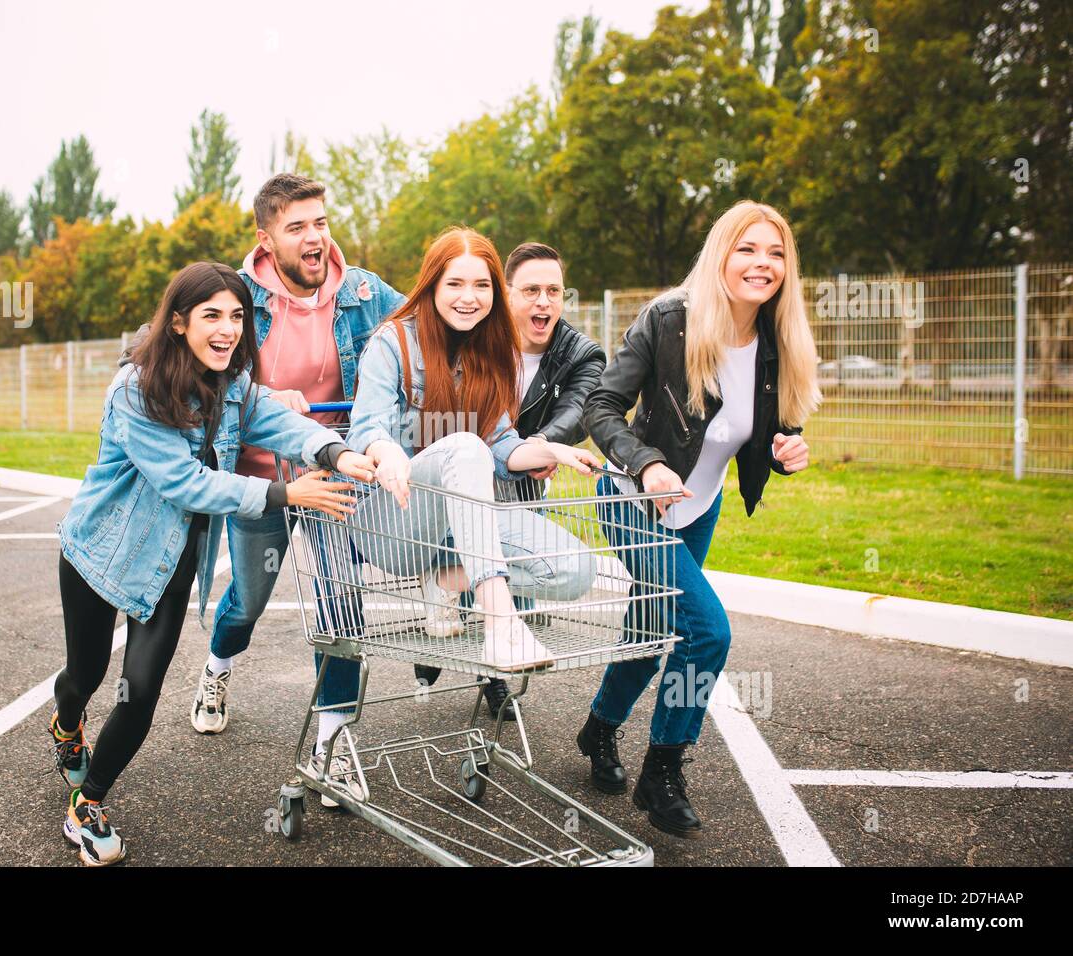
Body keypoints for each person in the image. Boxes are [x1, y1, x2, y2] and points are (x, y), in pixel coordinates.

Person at [50, 262, 375, 865]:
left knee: (140, 690)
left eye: (235, 317)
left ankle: (88, 803)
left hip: (171, 567)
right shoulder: (135, 389)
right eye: (211, 317)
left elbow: (277, 421)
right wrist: (285, 494)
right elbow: (185, 484)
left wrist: (335, 450)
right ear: (178, 323)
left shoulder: (233, 386)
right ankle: (67, 724)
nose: (227, 329)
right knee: (87, 675)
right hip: (102, 554)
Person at [120, 174, 404, 765]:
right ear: (267, 237)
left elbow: (426, 334)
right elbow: (158, 344)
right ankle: (219, 665)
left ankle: (333, 740)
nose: (313, 237)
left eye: (320, 222)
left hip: (335, 472)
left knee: (338, 599)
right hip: (257, 481)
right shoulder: (233, 295)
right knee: (248, 602)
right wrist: (265, 394)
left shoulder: (365, 292)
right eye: (296, 226)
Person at [577, 200, 819, 839]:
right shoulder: (669, 320)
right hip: (631, 501)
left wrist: (785, 448)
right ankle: (664, 770)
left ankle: (598, 730)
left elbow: (764, 425)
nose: (761, 264)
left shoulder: (776, 340)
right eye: (747, 248)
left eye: (775, 253)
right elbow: (602, 405)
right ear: (721, 253)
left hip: (699, 507)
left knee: (655, 623)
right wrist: (648, 463)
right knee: (707, 631)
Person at [346, 227, 601, 672]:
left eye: (481, 285)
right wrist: (386, 453)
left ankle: (447, 580)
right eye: (456, 284)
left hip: (466, 521)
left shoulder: (492, 352)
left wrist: (552, 451)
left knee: (575, 569)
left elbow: (503, 447)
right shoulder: (394, 343)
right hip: (397, 523)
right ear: (432, 286)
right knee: (464, 447)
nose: (470, 297)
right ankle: (501, 622)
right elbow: (367, 426)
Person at [411, 242, 606, 713]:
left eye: (554, 291)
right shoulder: (475, 339)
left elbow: (579, 409)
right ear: (507, 293)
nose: (544, 302)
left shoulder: (580, 354)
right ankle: (449, 626)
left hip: (519, 475)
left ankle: (489, 667)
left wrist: (534, 448)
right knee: (480, 556)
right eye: (532, 290)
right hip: (465, 467)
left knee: (505, 573)